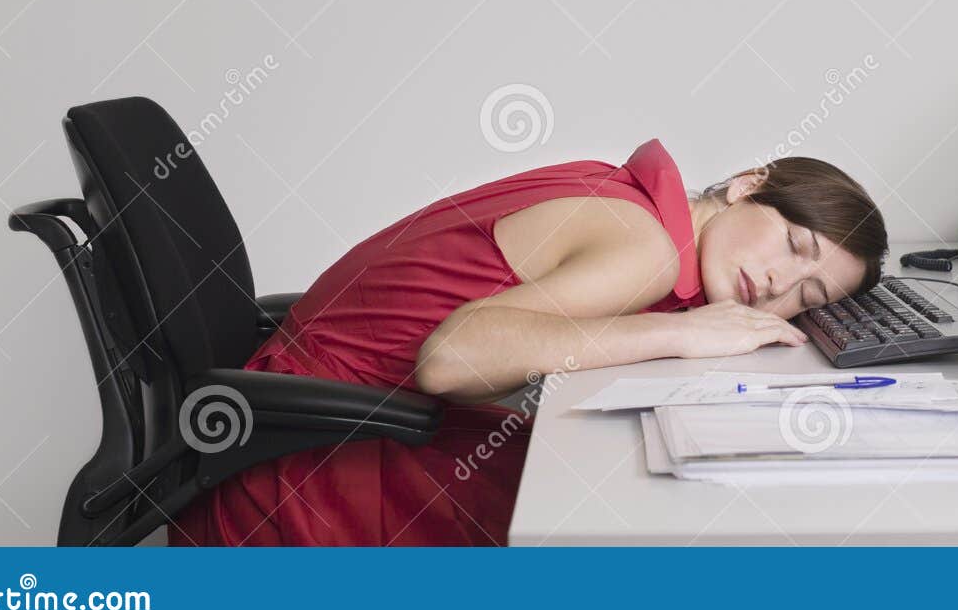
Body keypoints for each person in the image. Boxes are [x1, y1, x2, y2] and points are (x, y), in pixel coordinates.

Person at [170, 138, 887, 547]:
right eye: (795, 245)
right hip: (308, 475)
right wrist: (685, 329)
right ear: (747, 185)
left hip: (302, 424)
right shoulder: (648, 248)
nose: (778, 285)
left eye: (809, 297)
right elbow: (451, 356)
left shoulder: (635, 197)